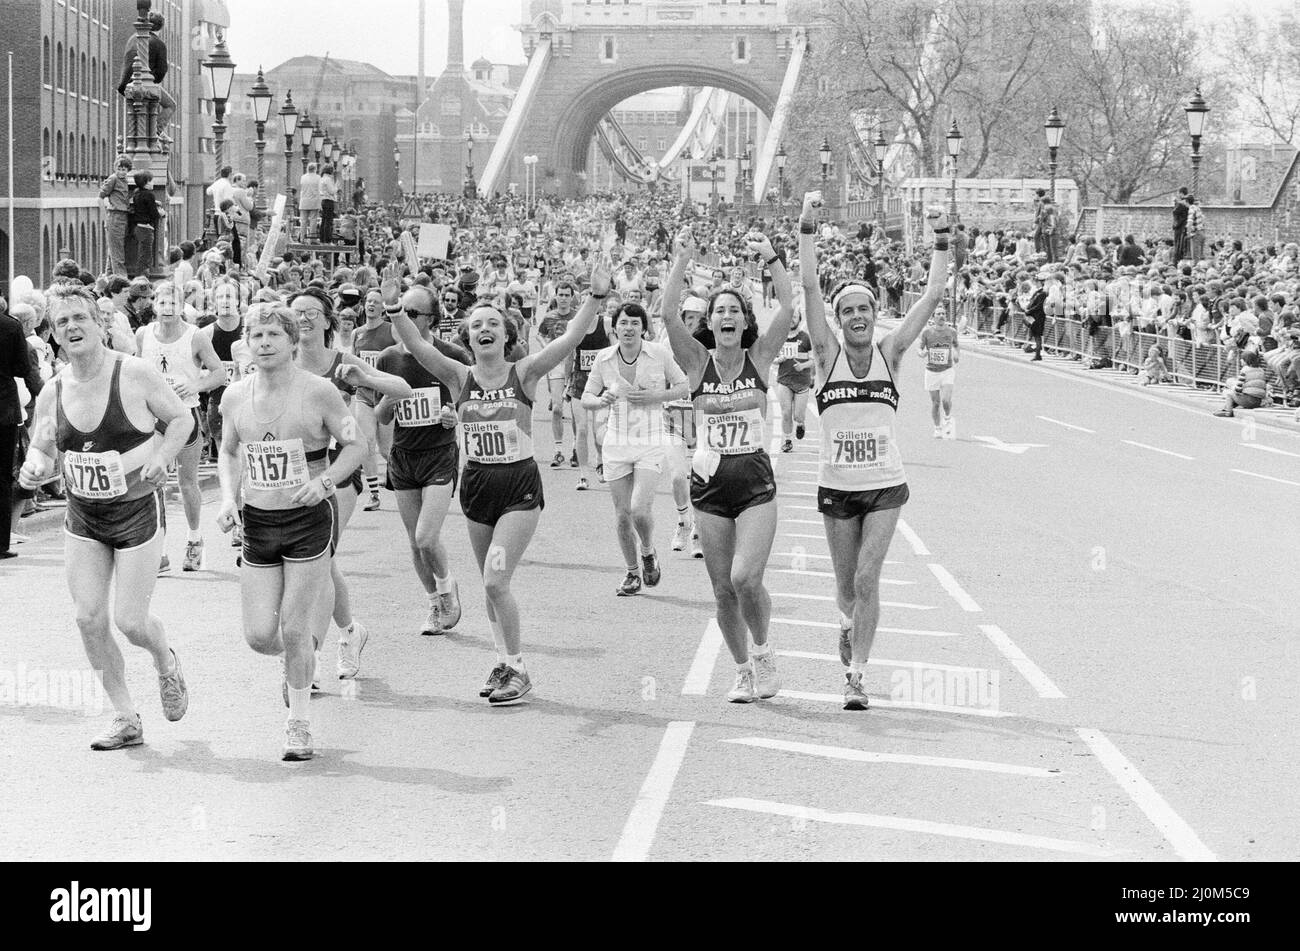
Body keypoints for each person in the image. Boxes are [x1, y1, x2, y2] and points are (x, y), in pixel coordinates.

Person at [389, 260, 609, 705]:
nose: (484, 329)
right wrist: (395, 307)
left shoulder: (524, 372)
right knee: (489, 585)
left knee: (494, 582)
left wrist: (596, 298)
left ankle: (519, 668)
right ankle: (501, 661)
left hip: (518, 486)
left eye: (493, 324)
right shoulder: (458, 376)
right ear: (468, 339)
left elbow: (569, 339)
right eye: (476, 325)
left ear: (507, 335)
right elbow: (415, 343)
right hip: (477, 485)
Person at [18, 284, 192, 748]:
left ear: (100, 324)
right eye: (62, 322)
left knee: (131, 622)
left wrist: (162, 458)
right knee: (88, 618)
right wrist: (34, 466)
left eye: (80, 318)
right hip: (85, 518)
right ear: (54, 334)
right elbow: (42, 446)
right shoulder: (53, 391)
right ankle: (125, 716)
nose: (71, 327)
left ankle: (165, 660)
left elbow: (181, 420)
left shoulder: (133, 374)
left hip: (136, 511)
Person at [800, 195, 950, 711]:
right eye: (848, 311)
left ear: (875, 313)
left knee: (868, 578)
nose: (857, 317)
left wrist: (941, 238)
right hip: (838, 488)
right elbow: (809, 288)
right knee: (847, 588)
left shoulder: (891, 352)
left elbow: (933, 294)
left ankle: (856, 676)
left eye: (864, 309)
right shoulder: (826, 356)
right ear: (838, 320)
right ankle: (846, 623)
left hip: (885, 485)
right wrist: (806, 228)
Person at [216, 303, 366, 761]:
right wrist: (228, 498)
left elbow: (355, 445)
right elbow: (228, 451)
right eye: (257, 336)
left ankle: (298, 723)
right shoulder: (234, 397)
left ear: (291, 340)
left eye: (274, 335)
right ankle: (301, 657)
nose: (264, 343)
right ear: (247, 343)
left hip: (307, 520)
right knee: (261, 636)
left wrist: (325, 482)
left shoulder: (319, 391)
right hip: (259, 522)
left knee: (295, 628)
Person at [661, 225, 794, 704]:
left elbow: (788, 308)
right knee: (722, 590)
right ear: (711, 322)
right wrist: (682, 258)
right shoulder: (698, 363)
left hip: (755, 483)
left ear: (744, 321)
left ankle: (763, 653)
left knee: (745, 579)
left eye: (735, 310)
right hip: (710, 487)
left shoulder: (760, 357)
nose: (727, 316)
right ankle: (741, 671)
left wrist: (772, 258)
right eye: (719, 311)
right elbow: (667, 314)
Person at [291, 287, 412, 678]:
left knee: (320, 559)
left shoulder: (342, 362)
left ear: (328, 320)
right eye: (296, 312)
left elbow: (403, 389)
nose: (303, 319)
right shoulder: (281, 364)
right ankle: (349, 632)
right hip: (295, 474)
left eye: (311, 312)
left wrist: (363, 378)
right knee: (321, 563)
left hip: (338, 471)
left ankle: (310, 655)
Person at [378, 281, 471, 637]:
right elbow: (381, 415)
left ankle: (448, 589)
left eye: (413, 312)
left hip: (439, 453)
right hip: (404, 455)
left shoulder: (452, 355)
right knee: (413, 542)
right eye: (401, 309)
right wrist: (391, 401)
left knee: (426, 537)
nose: (403, 317)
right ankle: (434, 603)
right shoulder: (389, 358)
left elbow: (469, 405)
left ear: (431, 318)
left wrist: (454, 415)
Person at [582, 302, 689, 595]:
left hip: (649, 439)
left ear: (643, 328)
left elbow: (683, 386)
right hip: (616, 441)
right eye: (623, 323)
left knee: (639, 511)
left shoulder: (658, 353)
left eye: (635, 323)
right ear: (614, 327)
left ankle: (648, 551)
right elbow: (587, 396)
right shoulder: (604, 358)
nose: (628, 328)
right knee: (621, 515)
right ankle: (632, 573)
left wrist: (656, 396)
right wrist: (600, 400)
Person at [135, 281, 226, 573]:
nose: (168, 309)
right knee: (152, 481)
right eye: (162, 303)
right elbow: (136, 370)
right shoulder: (143, 334)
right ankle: (158, 550)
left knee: (187, 483)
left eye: (173, 303)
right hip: (153, 418)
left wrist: (196, 385)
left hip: (185, 416)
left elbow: (220, 373)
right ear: (155, 305)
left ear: (181, 306)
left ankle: (194, 539)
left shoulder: (195, 336)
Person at [3, 295, 47, 559]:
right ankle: (3, 540)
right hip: (6, 412)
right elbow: (24, 369)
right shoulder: (11, 328)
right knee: (5, 476)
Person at [351, 288, 398, 510]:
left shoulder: (391, 330)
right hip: (364, 394)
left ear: (383, 308)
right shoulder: (357, 333)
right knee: (366, 442)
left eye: (376, 302)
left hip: (385, 395)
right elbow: (353, 361)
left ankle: (406, 481)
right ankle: (373, 494)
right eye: (368, 301)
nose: (371, 305)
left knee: (386, 449)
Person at [116, 13, 175, 142]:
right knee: (170, 105)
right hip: (142, 85)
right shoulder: (158, 43)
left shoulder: (133, 38)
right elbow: (161, 72)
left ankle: (148, 131)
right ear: (161, 27)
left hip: (125, 86)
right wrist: (153, 80)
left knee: (142, 113)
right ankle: (155, 131)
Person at [774, 309, 814, 453]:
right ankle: (787, 441)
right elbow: (772, 358)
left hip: (802, 382)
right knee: (786, 413)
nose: (791, 319)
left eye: (795, 317)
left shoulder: (805, 338)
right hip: (784, 380)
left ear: (799, 319)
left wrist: (802, 366)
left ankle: (800, 424)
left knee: (798, 416)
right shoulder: (780, 337)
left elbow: (813, 360)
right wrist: (779, 359)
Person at [918, 305, 960, 439]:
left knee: (946, 400)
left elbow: (956, 345)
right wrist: (922, 353)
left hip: (947, 370)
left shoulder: (951, 331)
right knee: (935, 403)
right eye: (938, 314)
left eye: (943, 314)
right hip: (931, 372)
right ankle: (937, 427)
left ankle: (947, 418)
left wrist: (956, 354)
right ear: (933, 317)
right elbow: (919, 348)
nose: (942, 316)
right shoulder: (927, 332)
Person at [100, 157, 134, 276]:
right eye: (118, 169)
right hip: (115, 217)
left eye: (123, 169)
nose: (121, 172)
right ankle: (121, 279)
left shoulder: (124, 180)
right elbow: (100, 196)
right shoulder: (113, 178)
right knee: (118, 252)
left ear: (128, 170)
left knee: (113, 251)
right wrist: (105, 217)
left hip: (122, 217)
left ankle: (108, 277)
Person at [1214, 350, 1268, 417]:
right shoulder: (1261, 370)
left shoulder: (1244, 370)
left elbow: (1238, 389)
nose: (1240, 360)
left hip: (1248, 401)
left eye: (1242, 359)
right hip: (1258, 401)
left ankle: (1228, 411)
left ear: (1246, 360)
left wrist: (1231, 387)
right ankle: (1226, 408)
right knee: (1236, 395)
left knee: (1229, 394)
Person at [127, 170, 161, 278]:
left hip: (138, 228)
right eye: (151, 181)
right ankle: (141, 278)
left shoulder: (137, 194)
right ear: (145, 183)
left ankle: (140, 278)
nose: (153, 183)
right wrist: (161, 213)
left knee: (142, 255)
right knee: (146, 258)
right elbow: (154, 213)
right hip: (146, 229)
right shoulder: (149, 195)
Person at [299, 163, 323, 241]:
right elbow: (320, 189)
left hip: (304, 201)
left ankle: (303, 239)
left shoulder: (303, 177)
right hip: (314, 201)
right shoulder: (318, 178)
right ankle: (312, 239)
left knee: (303, 221)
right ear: (315, 169)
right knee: (313, 221)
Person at [319, 165, 338, 243]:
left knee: (324, 220)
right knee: (328, 221)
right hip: (329, 201)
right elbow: (332, 191)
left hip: (323, 200)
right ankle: (327, 239)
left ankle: (322, 238)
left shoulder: (321, 179)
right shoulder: (328, 179)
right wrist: (336, 186)